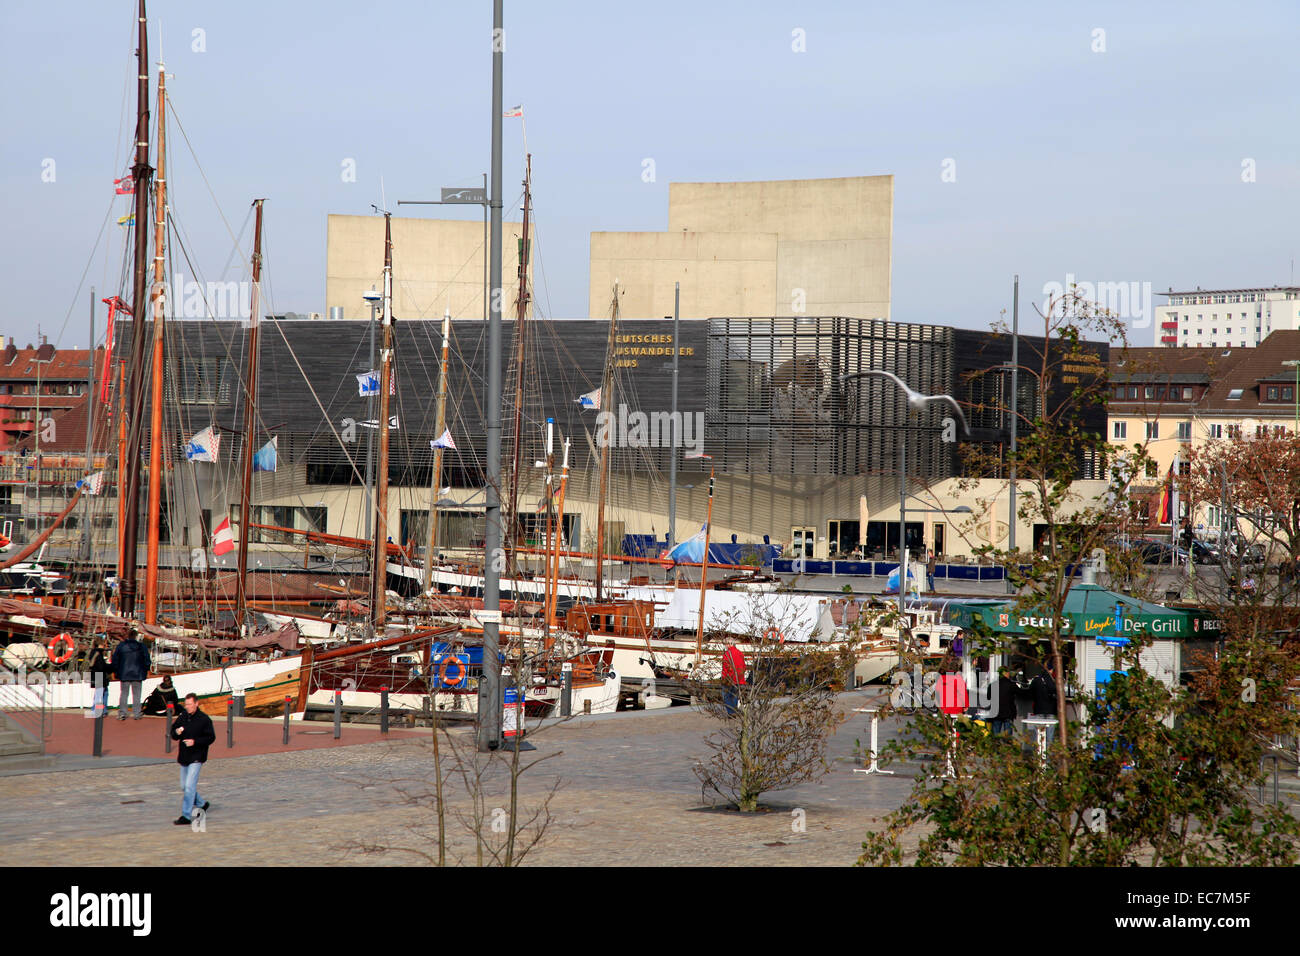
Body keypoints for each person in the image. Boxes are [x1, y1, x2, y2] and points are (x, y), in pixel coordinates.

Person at [170, 693, 215, 825]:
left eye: (190, 704)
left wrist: (195, 742)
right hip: (184, 756)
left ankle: (186, 816)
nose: (187, 707)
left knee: (189, 786)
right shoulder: (183, 716)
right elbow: (173, 732)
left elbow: (211, 737)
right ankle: (202, 803)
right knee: (184, 786)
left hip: (197, 757)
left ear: (196, 703)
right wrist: (176, 732)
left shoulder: (204, 719)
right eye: (186, 704)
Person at [110, 633, 151, 720]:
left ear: (128, 636)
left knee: (124, 694)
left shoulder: (121, 646)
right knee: (137, 694)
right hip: (138, 673)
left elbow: (115, 659)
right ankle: (137, 713)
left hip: (124, 673)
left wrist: (115, 670)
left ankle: (122, 713)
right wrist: (147, 669)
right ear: (136, 636)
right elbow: (147, 659)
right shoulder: (141, 646)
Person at [1029, 667, 1059, 744]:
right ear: (1051, 670)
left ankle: (1039, 752)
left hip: (1039, 709)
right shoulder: (1054, 680)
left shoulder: (1036, 680)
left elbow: (1030, 692)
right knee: (1050, 734)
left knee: (1038, 733)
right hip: (1051, 710)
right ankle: (1048, 753)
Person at [720, 634, 746, 717]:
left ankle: (731, 712)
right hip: (739, 678)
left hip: (729, 678)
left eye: (725, 644)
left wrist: (723, 678)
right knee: (734, 695)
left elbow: (725, 668)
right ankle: (734, 710)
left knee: (726, 696)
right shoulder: (740, 653)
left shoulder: (727, 654)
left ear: (728, 644)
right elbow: (743, 666)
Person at [87, 637, 113, 716]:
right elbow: (101, 666)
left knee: (103, 693)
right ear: (100, 644)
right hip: (100, 675)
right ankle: (97, 710)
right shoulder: (98, 653)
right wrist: (110, 667)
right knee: (100, 694)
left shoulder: (93, 652)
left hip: (95, 674)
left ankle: (101, 710)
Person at [992, 666, 1018, 735]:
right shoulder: (1011, 684)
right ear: (1006, 673)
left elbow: (989, 697)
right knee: (1007, 736)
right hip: (1008, 712)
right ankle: (1007, 744)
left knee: (996, 735)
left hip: (996, 713)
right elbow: (1021, 693)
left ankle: (996, 745)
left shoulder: (993, 684)